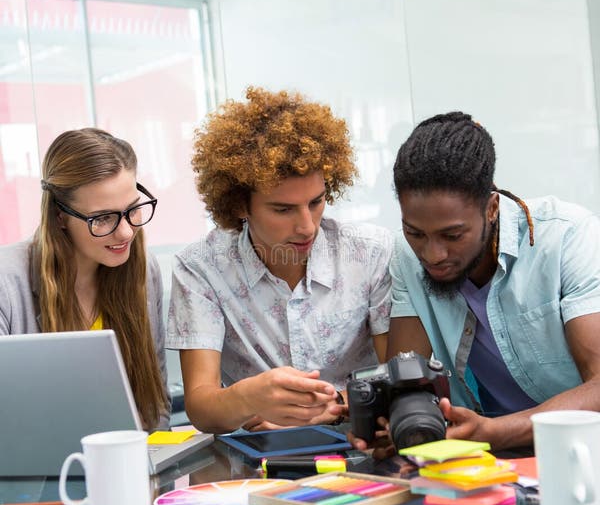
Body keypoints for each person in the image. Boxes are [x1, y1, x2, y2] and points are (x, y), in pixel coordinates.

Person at [167, 86, 392, 433]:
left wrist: (334, 405)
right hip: (259, 462)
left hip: (363, 444)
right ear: (239, 205)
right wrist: (249, 398)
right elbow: (201, 406)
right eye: (283, 209)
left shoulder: (370, 252)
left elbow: (401, 377)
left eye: (316, 202)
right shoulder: (200, 268)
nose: (306, 226)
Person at [379, 110, 600, 452]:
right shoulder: (405, 255)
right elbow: (406, 374)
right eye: (415, 232)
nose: (433, 253)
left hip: (582, 449)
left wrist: (494, 432)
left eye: (452, 235)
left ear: (492, 208)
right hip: (491, 458)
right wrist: (392, 421)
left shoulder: (567, 237)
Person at [0, 127, 169, 431]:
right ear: (59, 217)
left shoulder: (144, 269)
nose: (126, 232)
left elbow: (155, 410)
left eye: (133, 210)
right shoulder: (7, 283)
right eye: (103, 218)